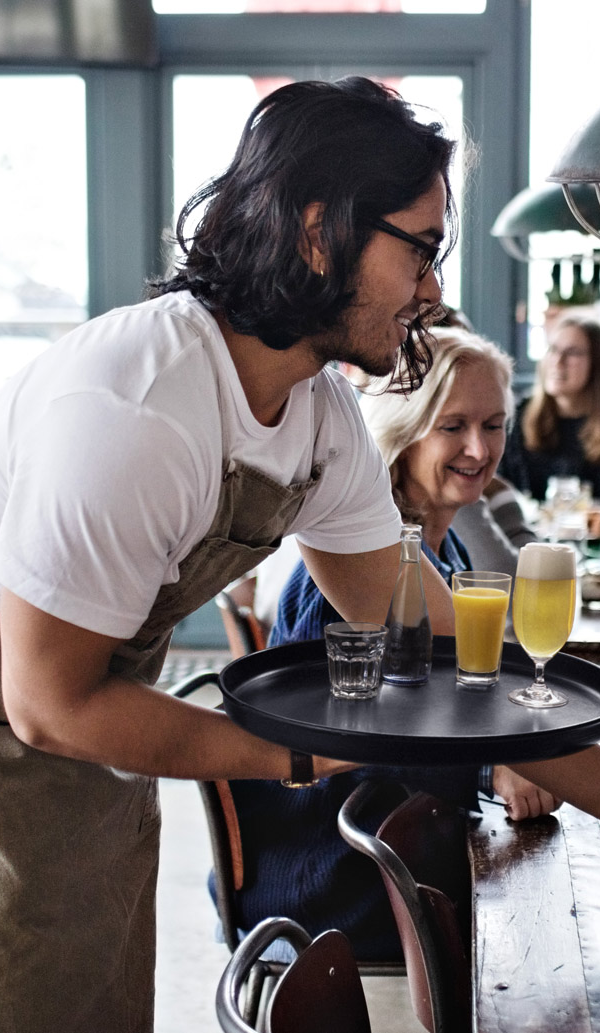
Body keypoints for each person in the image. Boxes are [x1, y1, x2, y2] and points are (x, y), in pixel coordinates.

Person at [0, 77, 600, 1033]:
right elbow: (46, 702)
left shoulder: (319, 413)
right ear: (319, 232)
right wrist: (299, 754)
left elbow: (447, 651)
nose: (434, 288)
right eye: (421, 250)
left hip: (99, 715)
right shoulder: (138, 408)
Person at [232, 327, 561, 959]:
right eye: (453, 426)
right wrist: (495, 762)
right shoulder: (352, 567)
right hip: (342, 869)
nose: (478, 448)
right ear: (405, 428)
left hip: (411, 835)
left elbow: (458, 695)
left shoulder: (444, 543)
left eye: (493, 425)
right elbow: (353, 746)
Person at [498, 315, 600, 502]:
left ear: (597, 364)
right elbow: (501, 494)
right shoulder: (517, 417)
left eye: (572, 352)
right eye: (553, 349)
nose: (558, 361)